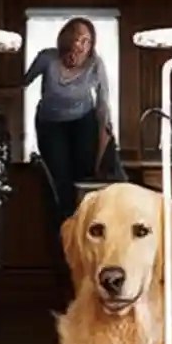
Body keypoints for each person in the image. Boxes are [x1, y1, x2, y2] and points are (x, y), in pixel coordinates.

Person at [23, 17, 114, 293]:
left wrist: (104, 145)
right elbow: (19, 86)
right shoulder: (47, 59)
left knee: (83, 182)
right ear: (66, 40)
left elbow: (103, 106)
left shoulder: (95, 64)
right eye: (77, 39)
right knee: (61, 186)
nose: (82, 45)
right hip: (50, 125)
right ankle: (64, 254)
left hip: (83, 123)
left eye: (87, 41)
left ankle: (87, 249)